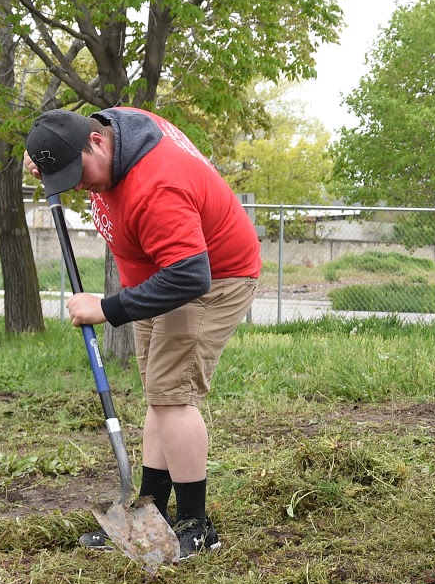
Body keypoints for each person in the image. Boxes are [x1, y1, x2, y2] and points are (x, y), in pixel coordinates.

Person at [25, 107, 262, 558]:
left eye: (78, 172)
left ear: (98, 143)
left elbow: (190, 276)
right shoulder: (110, 129)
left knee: (173, 398)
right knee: (160, 394)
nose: (78, 185)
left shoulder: (157, 183)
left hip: (209, 277)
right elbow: (63, 134)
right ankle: (152, 514)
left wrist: (107, 308)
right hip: (158, 278)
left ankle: (196, 527)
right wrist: (46, 156)